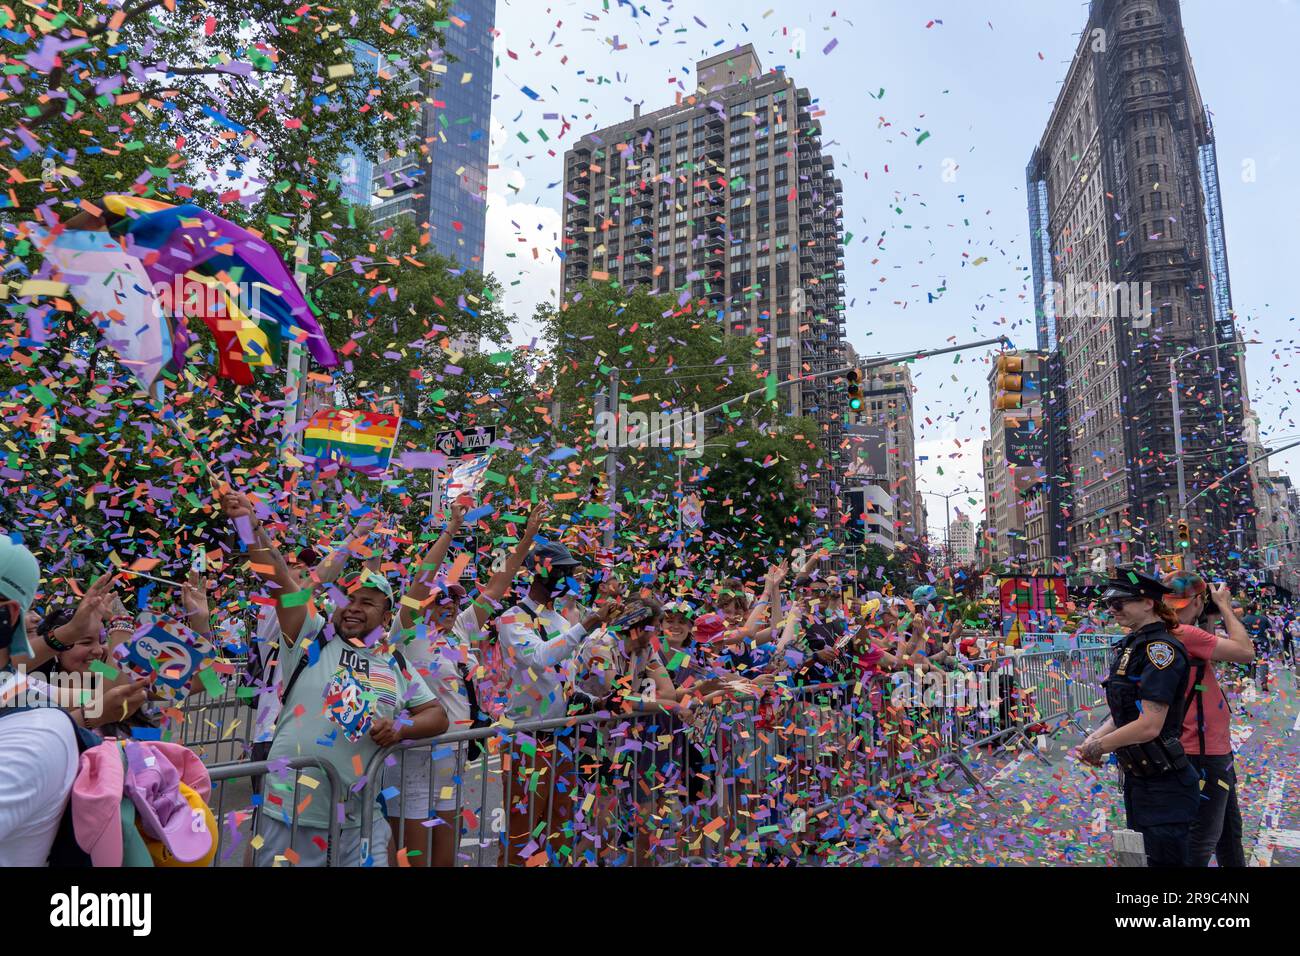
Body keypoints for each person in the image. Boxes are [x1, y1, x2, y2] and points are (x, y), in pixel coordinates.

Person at [221, 490, 448, 867]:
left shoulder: (392, 661)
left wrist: (401, 727)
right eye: (350, 599)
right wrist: (249, 526)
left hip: (358, 821)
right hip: (289, 814)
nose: (354, 608)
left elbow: (437, 714)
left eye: (368, 602)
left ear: (385, 612)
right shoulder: (311, 634)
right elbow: (278, 581)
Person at [0, 540, 147, 866]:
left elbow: (196, 684)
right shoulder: (39, 685)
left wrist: (118, 631)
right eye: (85, 643)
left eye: (99, 643)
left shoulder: (39, 714)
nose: (96, 651)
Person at [494, 538, 624, 865]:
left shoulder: (563, 623)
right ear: (541, 573)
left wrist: (594, 703)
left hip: (561, 741)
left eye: (572, 573)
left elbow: (562, 683)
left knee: (558, 833)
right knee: (522, 835)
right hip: (525, 741)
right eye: (564, 572)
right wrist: (589, 623)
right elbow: (539, 657)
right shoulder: (512, 619)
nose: (570, 579)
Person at [1078, 569, 1199, 867]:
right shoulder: (1133, 645)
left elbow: (1149, 724)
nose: (1112, 610)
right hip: (1140, 779)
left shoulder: (1161, 649)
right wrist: (1094, 738)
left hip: (1164, 784)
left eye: (1120, 604)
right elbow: (1126, 713)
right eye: (1110, 605)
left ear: (1147, 603)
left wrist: (1100, 747)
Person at [1162, 572, 1254, 867]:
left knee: (1228, 834)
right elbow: (1245, 652)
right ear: (1199, 601)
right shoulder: (1184, 633)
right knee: (1201, 842)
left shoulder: (1168, 632)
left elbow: (1206, 658)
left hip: (1209, 750)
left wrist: (1207, 614)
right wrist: (1225, 606)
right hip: (1203, 754)